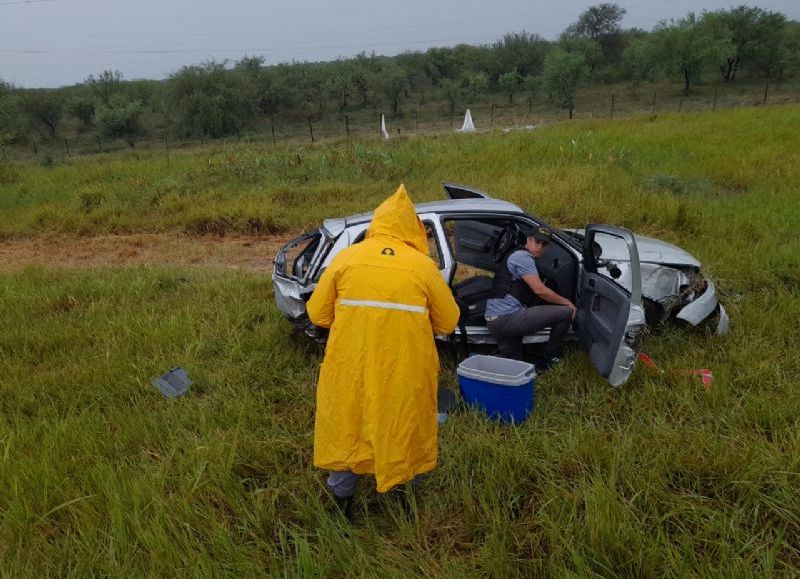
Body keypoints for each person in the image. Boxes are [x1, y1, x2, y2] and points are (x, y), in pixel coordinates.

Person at [306, 184, 460, 513]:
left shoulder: (346, 259)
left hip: (351, 366)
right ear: (413, 229)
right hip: (404, 369)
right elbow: (448, 323)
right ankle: (404, 500)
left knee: (349, 423)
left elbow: (317, 314)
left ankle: (342, 504)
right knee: (403, 424)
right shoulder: (423, 267)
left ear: (377, 223)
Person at [484, 225, 576, 368]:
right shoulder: (523, 257)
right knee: (566, 313)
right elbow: (540, 290)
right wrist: (567, 302)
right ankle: (553, 356)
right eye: (537, 242)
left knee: (515, 365)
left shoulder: (515, 254)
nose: (539, 247)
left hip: (494, 321)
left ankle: (478, 360)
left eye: (544, 244)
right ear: (529, 240)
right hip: (507, 319)